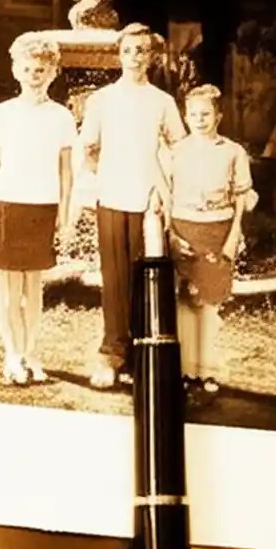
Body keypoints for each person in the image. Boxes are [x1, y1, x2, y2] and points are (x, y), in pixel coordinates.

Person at [79, 23, 187, 389]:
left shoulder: (162, 101)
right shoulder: (102, 100)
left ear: (151, 56)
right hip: (112, 197)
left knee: (146, 279)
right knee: (115, 281)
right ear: (119, 55)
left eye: (141, 50)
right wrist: (100, 181)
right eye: (128, 50)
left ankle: (141, 358)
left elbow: (178, 148)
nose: (135, 57)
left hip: (149, 201)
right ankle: (112, 354)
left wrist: (162, 188)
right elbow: (88, 148)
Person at [0, 34, 76, 384]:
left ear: (53, 73)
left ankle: (30, 352)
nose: (34, 76)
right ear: (16, 70)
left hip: (42, 207)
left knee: (33, 287)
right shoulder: (1, 114)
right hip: (7, 205)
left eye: (41, 70)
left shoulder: (62, 117)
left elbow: (66, 173)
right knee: (9, 288)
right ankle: (12, 355)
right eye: (28, 69)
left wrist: (64, 215)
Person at [168, 84, 257, 393]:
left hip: (217, 229)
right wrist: (171, 235)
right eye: (193, 114)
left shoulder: (233, 152)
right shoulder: (176, 151)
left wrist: (233, 236)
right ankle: (184, 368)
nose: (199, 120)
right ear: (185, 116)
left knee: (208, 302)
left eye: (206, 114)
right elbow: (164, 197)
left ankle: (207, 369)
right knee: (184, 301)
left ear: (218, 116)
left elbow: (241, 198)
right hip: (183, 228)